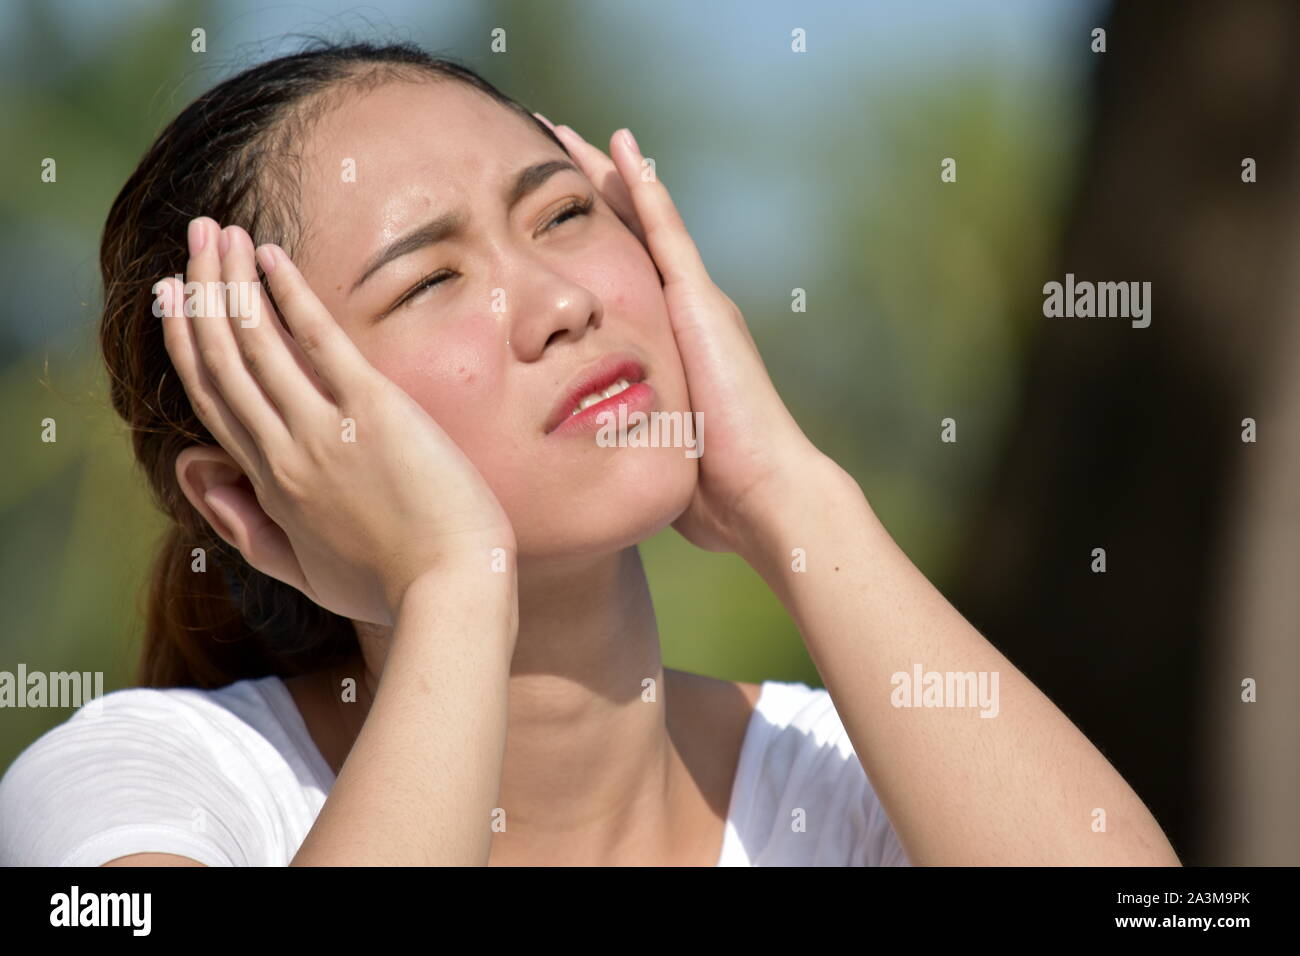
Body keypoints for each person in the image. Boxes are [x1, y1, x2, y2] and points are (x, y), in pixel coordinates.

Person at [0, 41, 1180, 867]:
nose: (559, 299)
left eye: (563, 212)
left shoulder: (834, 775)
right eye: (429, 278)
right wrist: (454, 589)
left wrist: (792, 496)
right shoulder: (145, 789)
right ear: (249, 495)